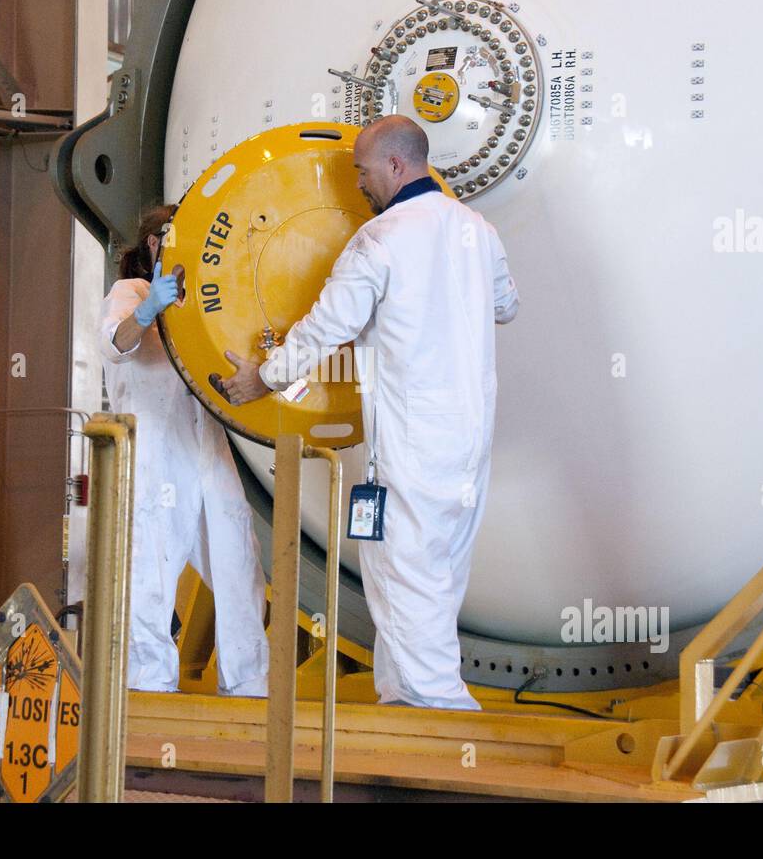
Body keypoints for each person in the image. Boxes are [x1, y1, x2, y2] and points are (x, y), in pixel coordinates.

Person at [217, 116, 519, 710]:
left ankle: (443, 717)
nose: (359, 184)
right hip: (469, 437)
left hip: (410, 437)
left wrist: (263, 378)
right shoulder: (477, 230)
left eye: (362, 171)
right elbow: (507, 305)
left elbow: (328, 326)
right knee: (437, 574)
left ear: (395, 166)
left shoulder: (380, 239)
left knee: (399, 574)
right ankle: (404, 703)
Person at [103, 205, 269, 696]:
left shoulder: (202, 302)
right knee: (150, 568)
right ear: (154, 244)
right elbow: (116, 342)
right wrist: (149, 308)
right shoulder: (129, 293)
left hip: (206, 448)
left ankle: (249, 685)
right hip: (154, 451)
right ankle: (149, 685)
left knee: (240, 562)